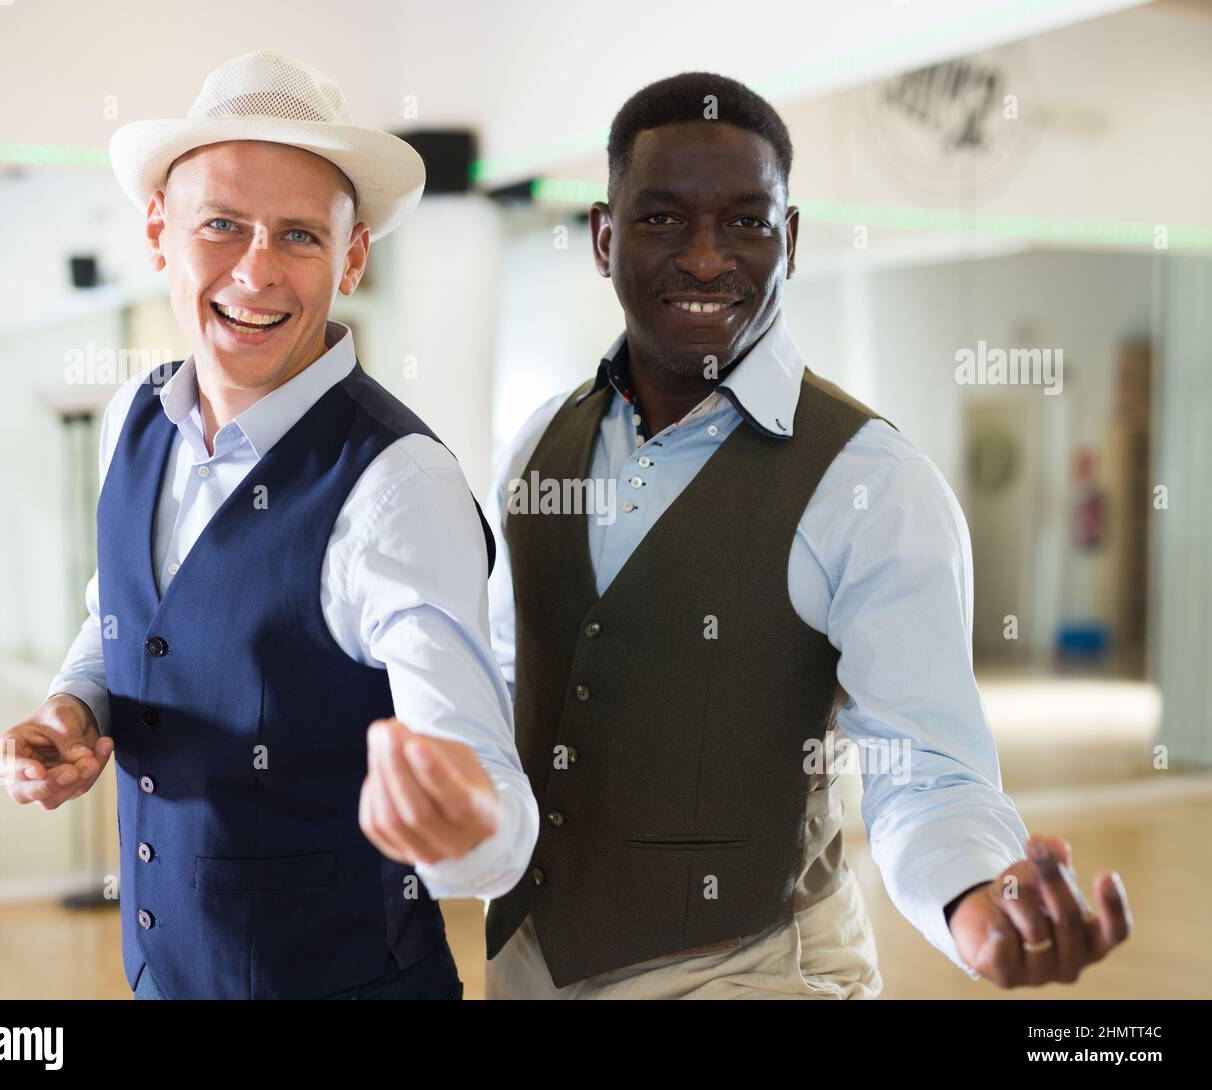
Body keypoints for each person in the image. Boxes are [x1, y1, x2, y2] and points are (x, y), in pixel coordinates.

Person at [482, 72, 1132, 999]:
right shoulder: (540, 442)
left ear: (789, 241)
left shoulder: (873, 482)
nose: (707, 260)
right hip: (526, 959)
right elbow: (519, 670)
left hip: (749, 970)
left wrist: (973, 899)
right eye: (663, 219)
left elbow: (928, 764)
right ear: (603, 236)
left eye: (747, 223)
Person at [0, 50, 536, 1000]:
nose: (256, 271)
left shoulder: (397, 485)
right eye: (222, 226)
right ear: (160, 229)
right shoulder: (135, 417)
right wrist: (76, 705)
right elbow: (123, 610)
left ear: (353, 255)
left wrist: (467, 833)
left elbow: (481, 782)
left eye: (298, 235)